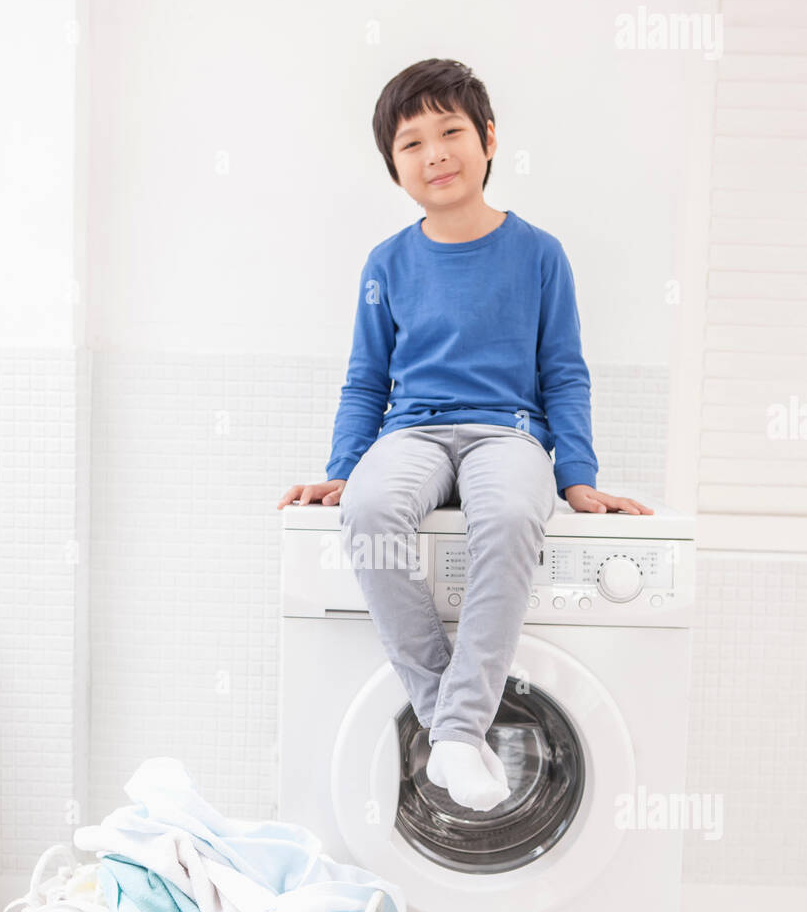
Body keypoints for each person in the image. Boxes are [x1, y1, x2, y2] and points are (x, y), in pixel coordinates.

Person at [278, 58, 651, 811]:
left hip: (507, 434)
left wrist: (575, 476)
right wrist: (345, 468)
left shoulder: (540, 254)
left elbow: (564, 374)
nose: (435, 153)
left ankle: (451, 733)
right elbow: (366, 382)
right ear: (394, 168)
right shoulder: (387, 263)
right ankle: (453, 727)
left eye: (450, 132)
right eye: (412, 143)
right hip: (411, 433)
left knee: (514, 513)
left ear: (487, 139)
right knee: (371, 511)